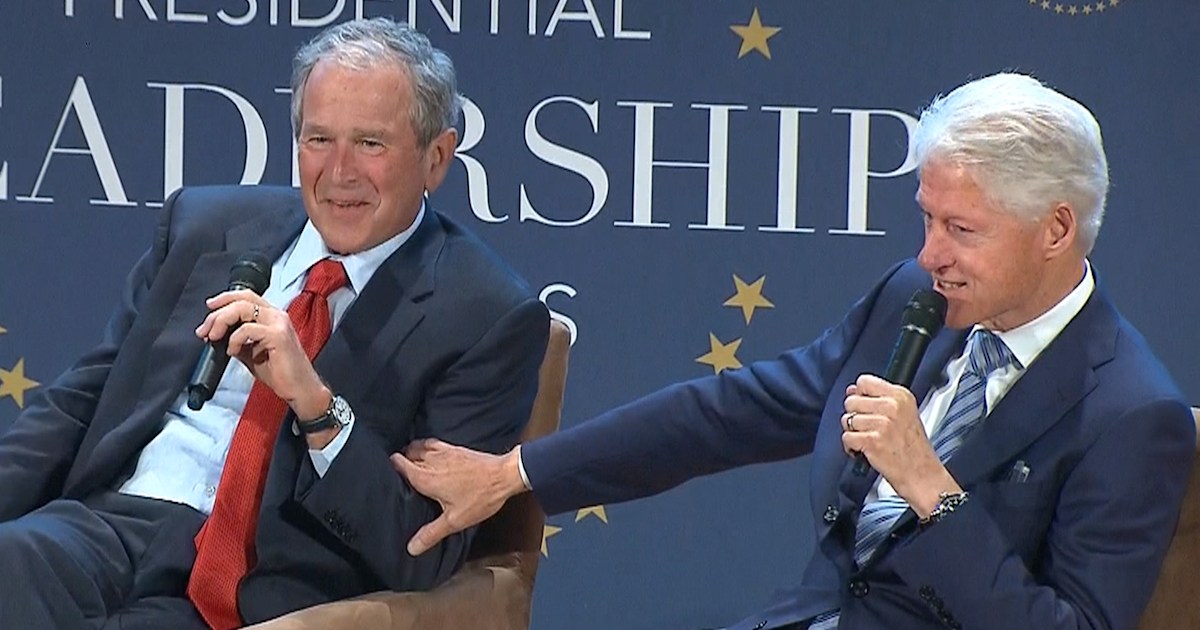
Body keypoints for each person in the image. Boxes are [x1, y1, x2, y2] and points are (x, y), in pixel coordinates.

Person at [393, 72, 1196, 630]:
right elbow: (737, 412)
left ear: (1056, 229)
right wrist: (516, 472)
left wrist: (931, 490)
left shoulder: (1131, 414)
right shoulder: (913, 304)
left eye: (962, 230)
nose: (930, 254)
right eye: (927, 219)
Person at [0, 17, 548, 630]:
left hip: (261, 587)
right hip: (108, 527)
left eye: (370, 144)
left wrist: (315, 404)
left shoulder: (487, 316)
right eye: (319, 140)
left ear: (436, 158)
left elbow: (420, 545)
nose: (338, 173)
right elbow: (86, 396)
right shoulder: (205, 226)